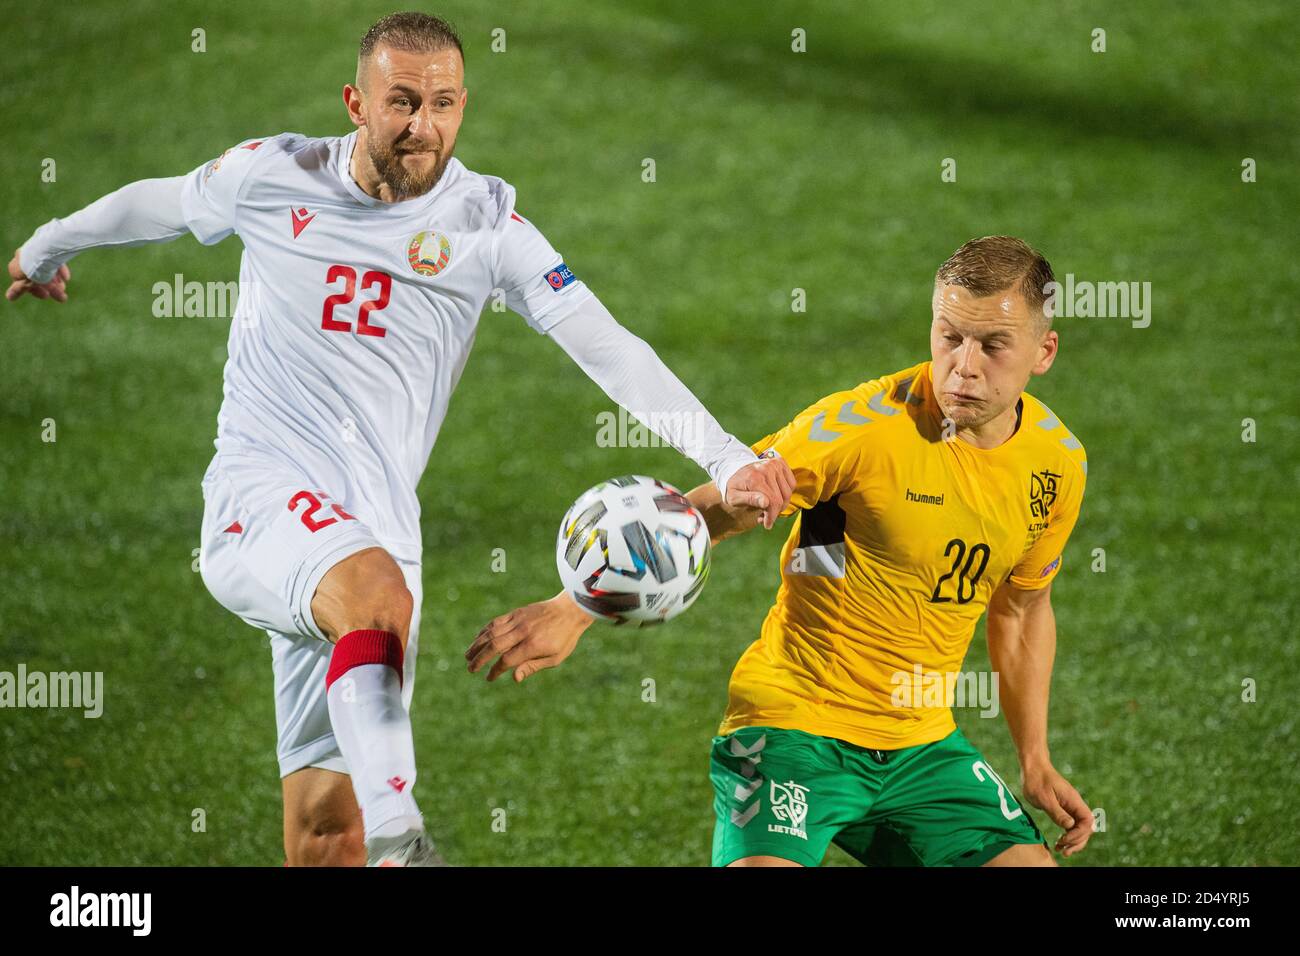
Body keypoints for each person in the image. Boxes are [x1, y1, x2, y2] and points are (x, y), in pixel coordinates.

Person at [7, 12, 794, 866]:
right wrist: (44, 249)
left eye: (444, 103)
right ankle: (407, 843)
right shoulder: (271, 176)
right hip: (260, 501)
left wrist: (726, 457)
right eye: (403, 102)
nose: (424, 125)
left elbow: (609, 348)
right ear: (357, 103)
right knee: (374, 614)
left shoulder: (487, 222)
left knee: (324, 834)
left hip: (378, 527)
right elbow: (155, 203)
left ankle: (372, 839)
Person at [468, 236, 1094, 866]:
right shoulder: (862, 429)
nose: (963, 364)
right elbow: (715, 509)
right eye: (948, 336)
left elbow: (1022, 608)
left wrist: (1034, 759)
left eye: (992, 345)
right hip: (793, 728)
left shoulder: (1058, 464)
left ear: (1044, 351)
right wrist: (575, 607)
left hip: (923, 746)